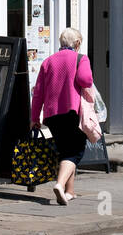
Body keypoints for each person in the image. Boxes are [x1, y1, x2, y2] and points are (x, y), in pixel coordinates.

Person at [31, 27, 95, 206]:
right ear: (77, 43)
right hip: (71, 112)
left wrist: (34, 117)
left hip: (52, 115)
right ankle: (59, 185)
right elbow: (86, 80)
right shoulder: (81, 58)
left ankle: (70, 191)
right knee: (75, 151)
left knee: (66, 150)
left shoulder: (48, 61)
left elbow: (38, 93)